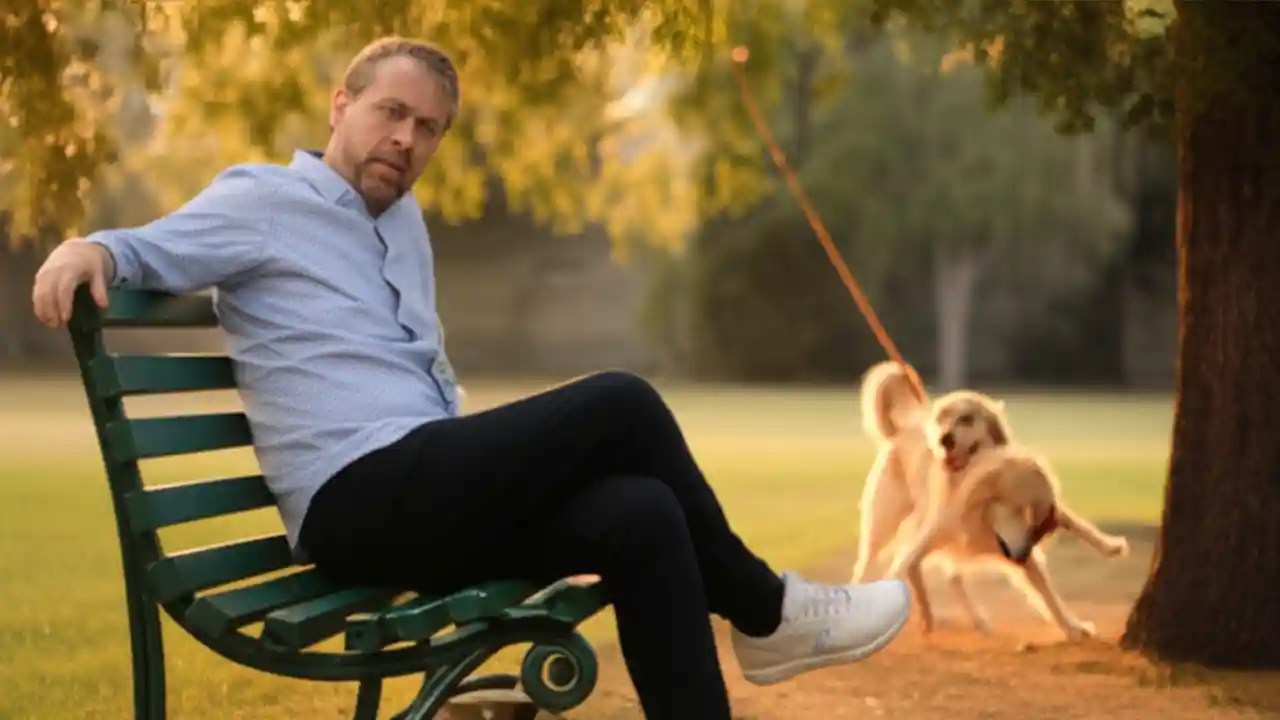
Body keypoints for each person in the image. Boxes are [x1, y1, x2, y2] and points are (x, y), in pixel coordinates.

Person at [31, 36, 910, 719]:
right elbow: (146, 247)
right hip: (357, 501)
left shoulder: (404, 225)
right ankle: (765, 613)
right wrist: (86, 248)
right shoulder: (265, 203)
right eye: (390, 113)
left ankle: (751, 644)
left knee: (641, 516)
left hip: (423, 485)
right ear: (340, 106)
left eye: (428, 128)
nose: (406, 139)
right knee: (622, 402)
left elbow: (421, 371)